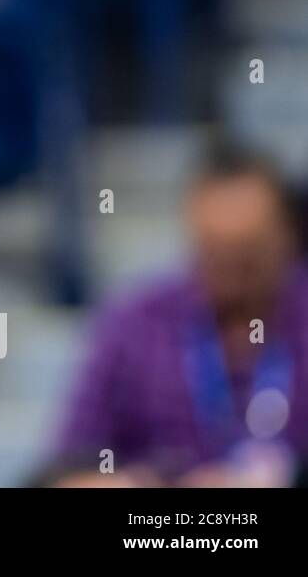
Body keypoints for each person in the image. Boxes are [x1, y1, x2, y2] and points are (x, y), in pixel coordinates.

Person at [43, 143, 308, 487]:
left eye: (247, 253)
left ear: (288, 237)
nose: (230, 270)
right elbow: (67, 463)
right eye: (214, 251)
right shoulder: (134, 322)